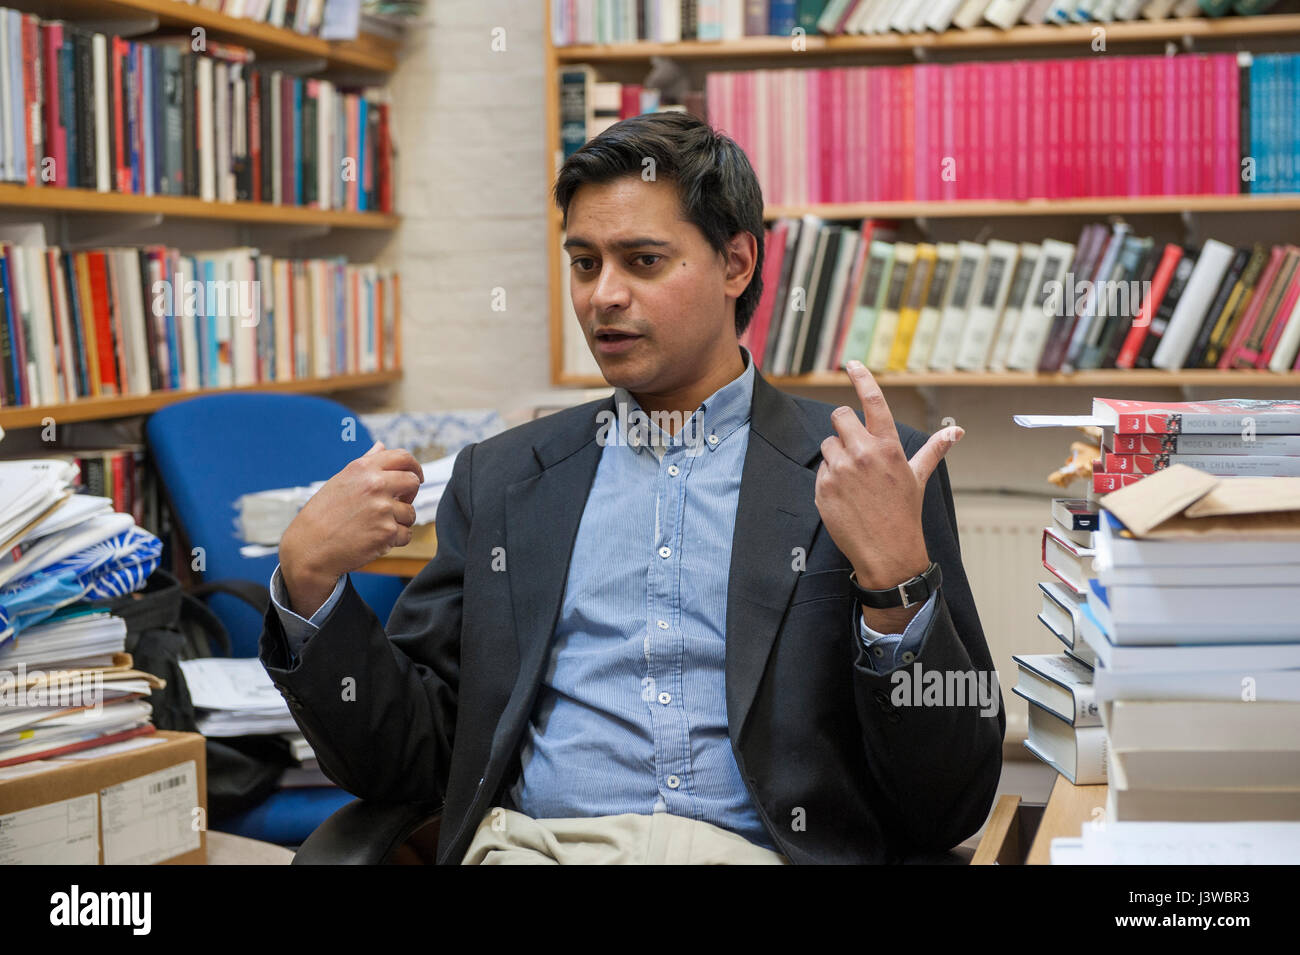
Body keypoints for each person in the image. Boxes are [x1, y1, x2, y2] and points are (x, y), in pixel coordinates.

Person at [259, 111, 1004, 865]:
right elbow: (411, 761)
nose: (602, 296)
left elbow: (945, 801)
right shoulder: (506, 479)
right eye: (585, 264)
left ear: (736, 264)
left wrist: (895, 589)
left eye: (642, 261)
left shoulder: (868, 470)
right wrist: (312, 587)